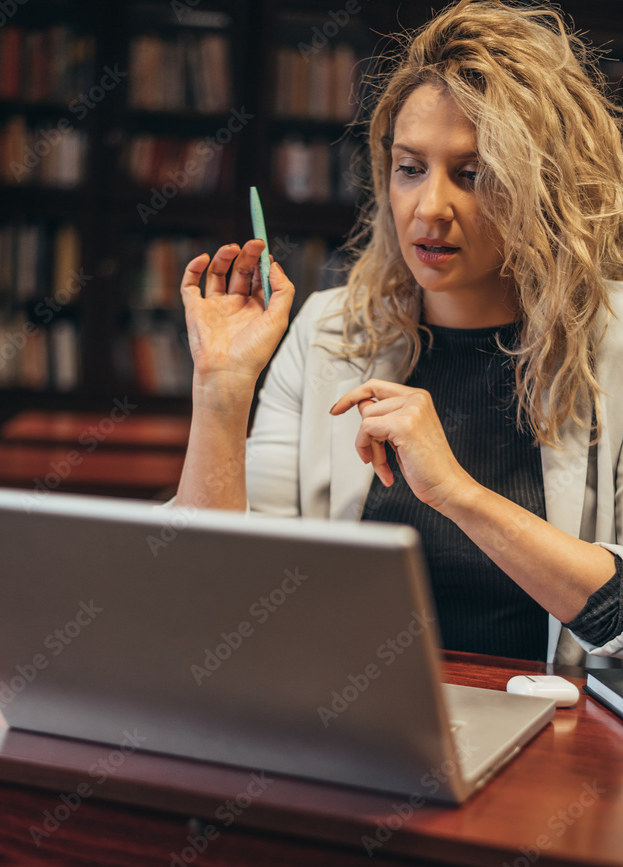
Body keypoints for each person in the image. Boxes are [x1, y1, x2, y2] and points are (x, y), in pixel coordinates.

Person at [173, 0, 623, 666]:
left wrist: (454, 491)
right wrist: (219, 386)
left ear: (543, 189)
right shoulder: (327, 332)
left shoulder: (610, 344)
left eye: (471, 175)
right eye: (409, 168)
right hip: (341, 727)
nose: (428, 208)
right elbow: (206, 596)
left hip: (549, 742)